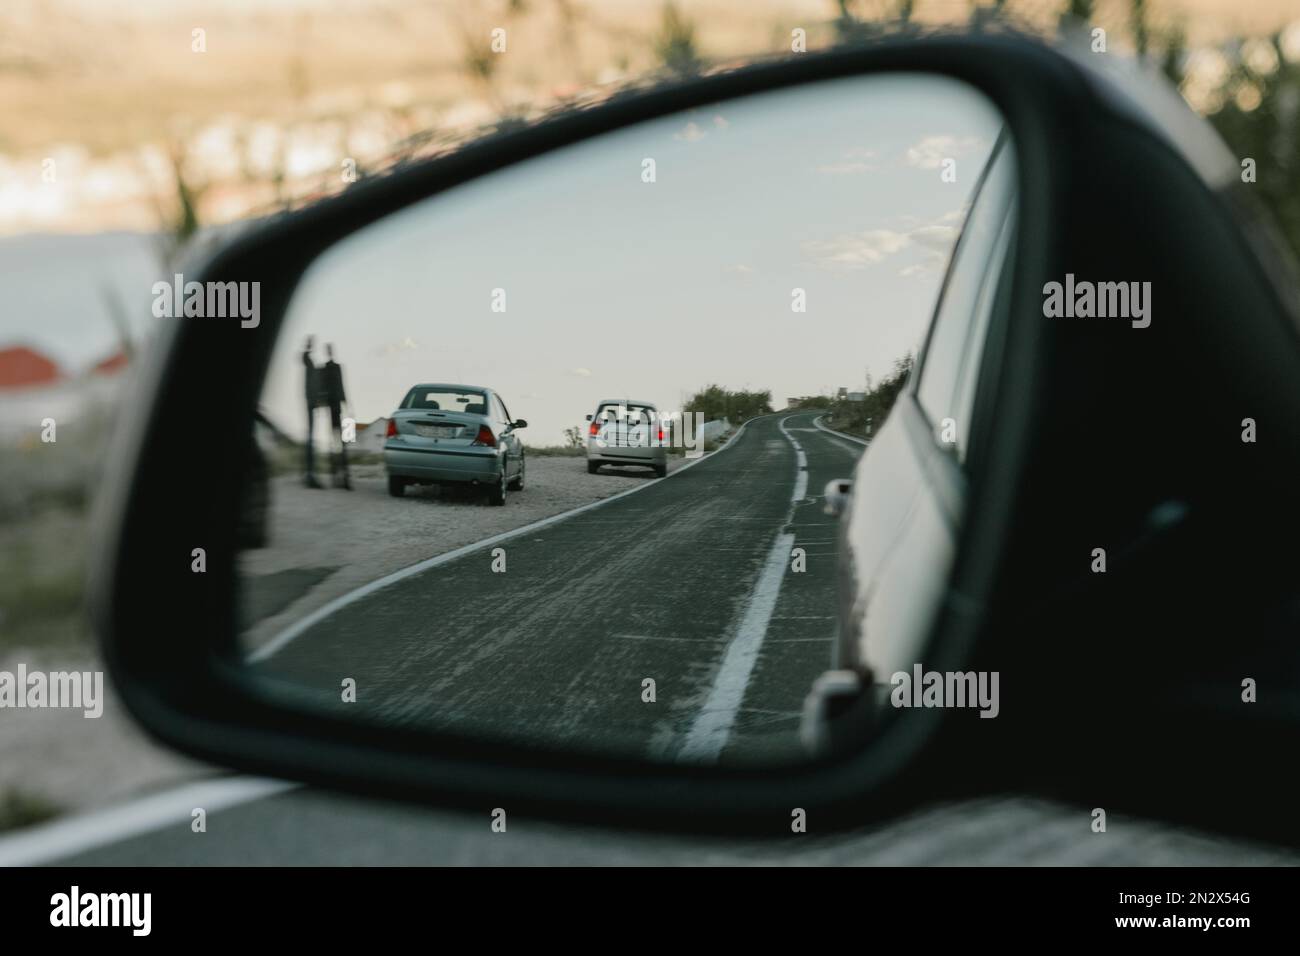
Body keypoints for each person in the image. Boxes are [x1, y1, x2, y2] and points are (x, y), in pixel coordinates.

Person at [321, 343, 351, 490]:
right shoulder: (327, 368)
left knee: (340, 442)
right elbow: (338, 386)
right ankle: (338, 477)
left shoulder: (332, 368)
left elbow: (341, 385)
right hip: (333, 407)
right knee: (336, 442)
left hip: (336, 407)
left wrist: (346, 404)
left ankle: (342, 477)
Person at [302, 336, 323, 489]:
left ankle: (310, 472)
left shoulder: (311, 365)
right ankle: (310, 473)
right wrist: (308, 347)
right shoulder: (308, 361)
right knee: (310, 437)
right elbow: (303, 356)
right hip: (310, 401)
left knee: (311, 436)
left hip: (312, 401)